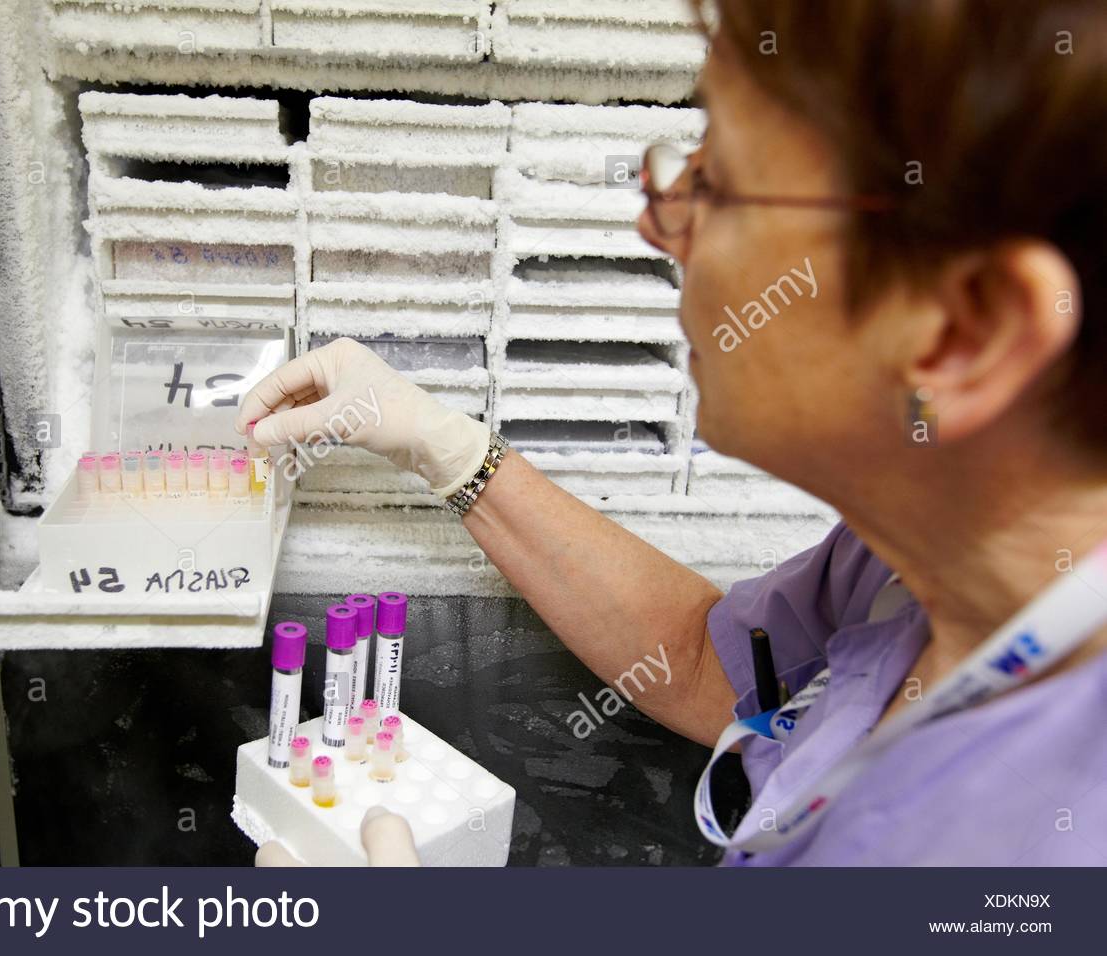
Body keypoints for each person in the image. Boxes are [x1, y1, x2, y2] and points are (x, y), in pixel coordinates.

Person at [240, 0, 1107, 866]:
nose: (655, 224)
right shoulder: (908, 567)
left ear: (966, 331)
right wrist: (444, 445)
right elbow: (711, 667)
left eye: (719, 181)